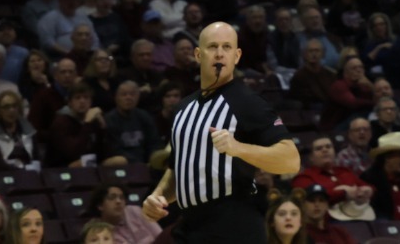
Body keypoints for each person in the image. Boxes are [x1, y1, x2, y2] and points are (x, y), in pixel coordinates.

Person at [141, 22, 299, 243]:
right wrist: (158, 197)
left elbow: (290, 160)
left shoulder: (248, 103)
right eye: (213, 46)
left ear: (237, 55)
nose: (220, 54)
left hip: (235, 226)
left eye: (227, 47)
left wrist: (238, 148)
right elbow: (179, 169)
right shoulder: (182, 109)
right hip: (190, 225)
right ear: (198, 54)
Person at [94, 185, 158, 244]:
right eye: (112, 197)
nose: (118, 201)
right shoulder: (99, 232)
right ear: (100, 205)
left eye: (121, 198)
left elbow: (160, 235)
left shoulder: (135, 211)